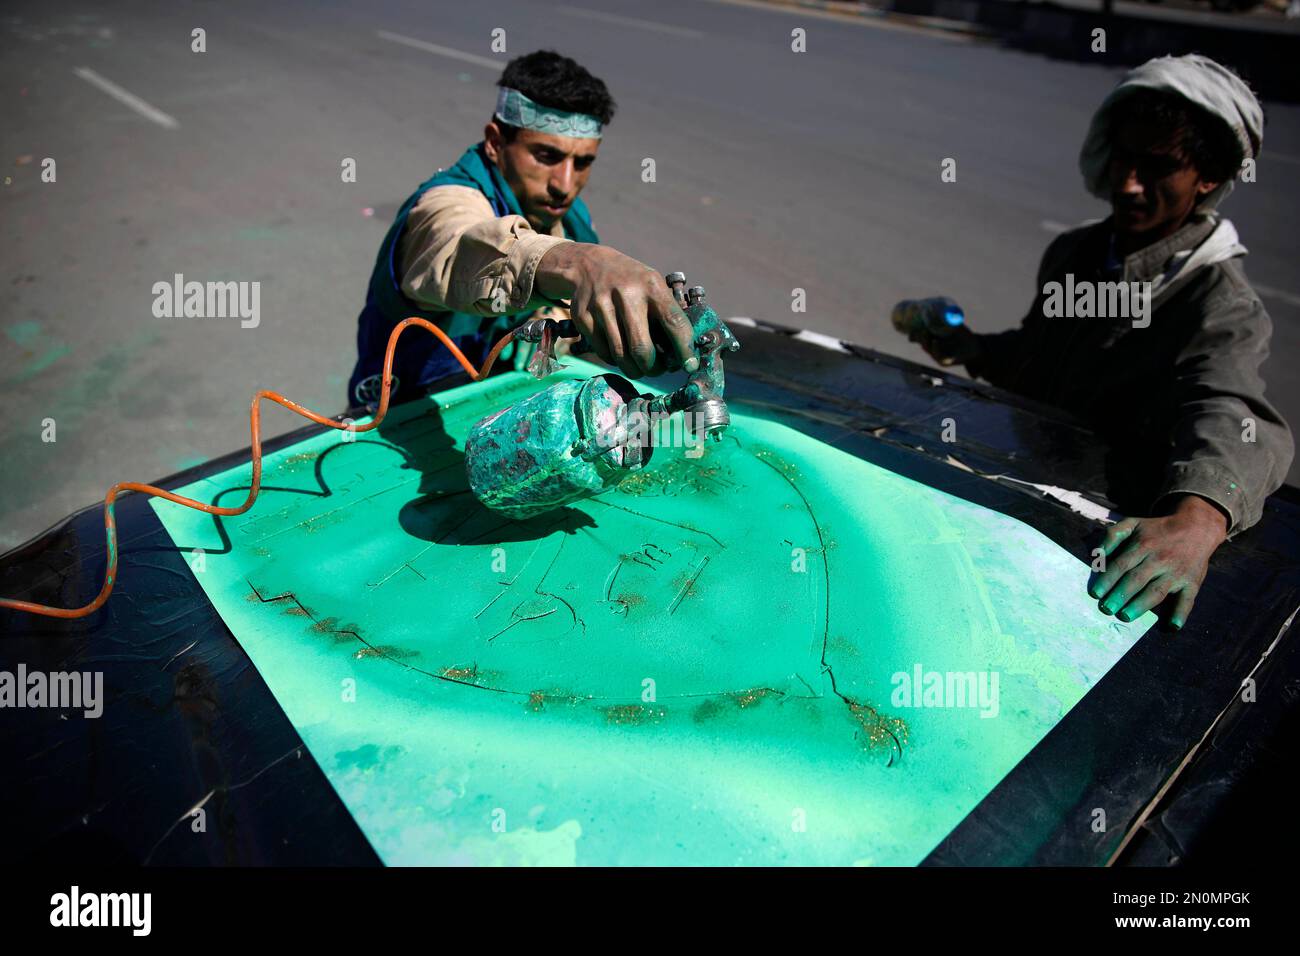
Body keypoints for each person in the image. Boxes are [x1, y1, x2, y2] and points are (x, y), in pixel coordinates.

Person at [903, 54, 1293, 629]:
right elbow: (1041, 362)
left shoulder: (1217, 298)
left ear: (1208, 176)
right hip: (1018, 503)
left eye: (1159, 166)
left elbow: (1232, 412)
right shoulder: (1077, 253)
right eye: (1126, 157)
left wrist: (1200, 517)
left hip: (1095, 552)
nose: (1130, 183)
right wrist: (971, 348)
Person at [347, 50, 697, 410]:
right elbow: (462, 249)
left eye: (583, 162)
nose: (564, 184)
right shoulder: (446, 203)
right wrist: (580, 264)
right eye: (547, 156)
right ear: (496, 143)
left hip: (498, 414)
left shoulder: (570, 217)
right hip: (402, 421)